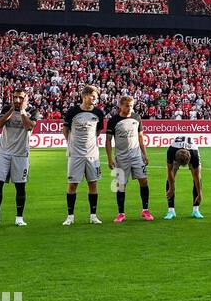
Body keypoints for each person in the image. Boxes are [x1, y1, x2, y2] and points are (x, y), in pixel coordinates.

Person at [0, 87, 36, 228]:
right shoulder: (6, 108)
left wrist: (21, 111)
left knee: (20, 186)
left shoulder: (33, 111)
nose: (17, 100)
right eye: (15, 97)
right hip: (4, 152)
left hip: (21, 154)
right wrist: (11, 110)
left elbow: (29, 127)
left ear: (26, 98)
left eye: (21, 97)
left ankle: (19, 218)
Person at [105, 95, 153, 222]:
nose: (130, 108)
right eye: (127, 106)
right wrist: (110, 158)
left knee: (144, 181)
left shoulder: (137, 117)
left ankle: (145, 211)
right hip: (121, 158)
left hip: (136, 156)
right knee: (121, 185)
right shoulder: (113, 120)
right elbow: (108, 140)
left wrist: (145, 154)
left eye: (131, 105)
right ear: (120, 106)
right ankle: (121, 213)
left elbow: (141, 137)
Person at [63, 85, 105, 225]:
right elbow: (66, 130)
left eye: (96, 97)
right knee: (72, 185)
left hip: (92, 154)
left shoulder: (99, 113)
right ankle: (70, 216)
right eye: (93, 96)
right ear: (85, 96)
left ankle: (93, 216)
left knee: (93, 184)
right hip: (75, 154)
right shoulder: (72, 112)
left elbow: (98, 132)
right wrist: (72, 144)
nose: (95, 99)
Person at [164, 135, 204, 219]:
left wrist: (200, 194)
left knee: (197, 178)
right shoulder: (171, 151)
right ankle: (171, 210)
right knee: (170, 178)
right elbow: (169, 171)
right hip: (176, 150)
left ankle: (196, 210)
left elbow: (196, 177)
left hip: (191, 150)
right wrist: (171, 188)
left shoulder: (194, 154)